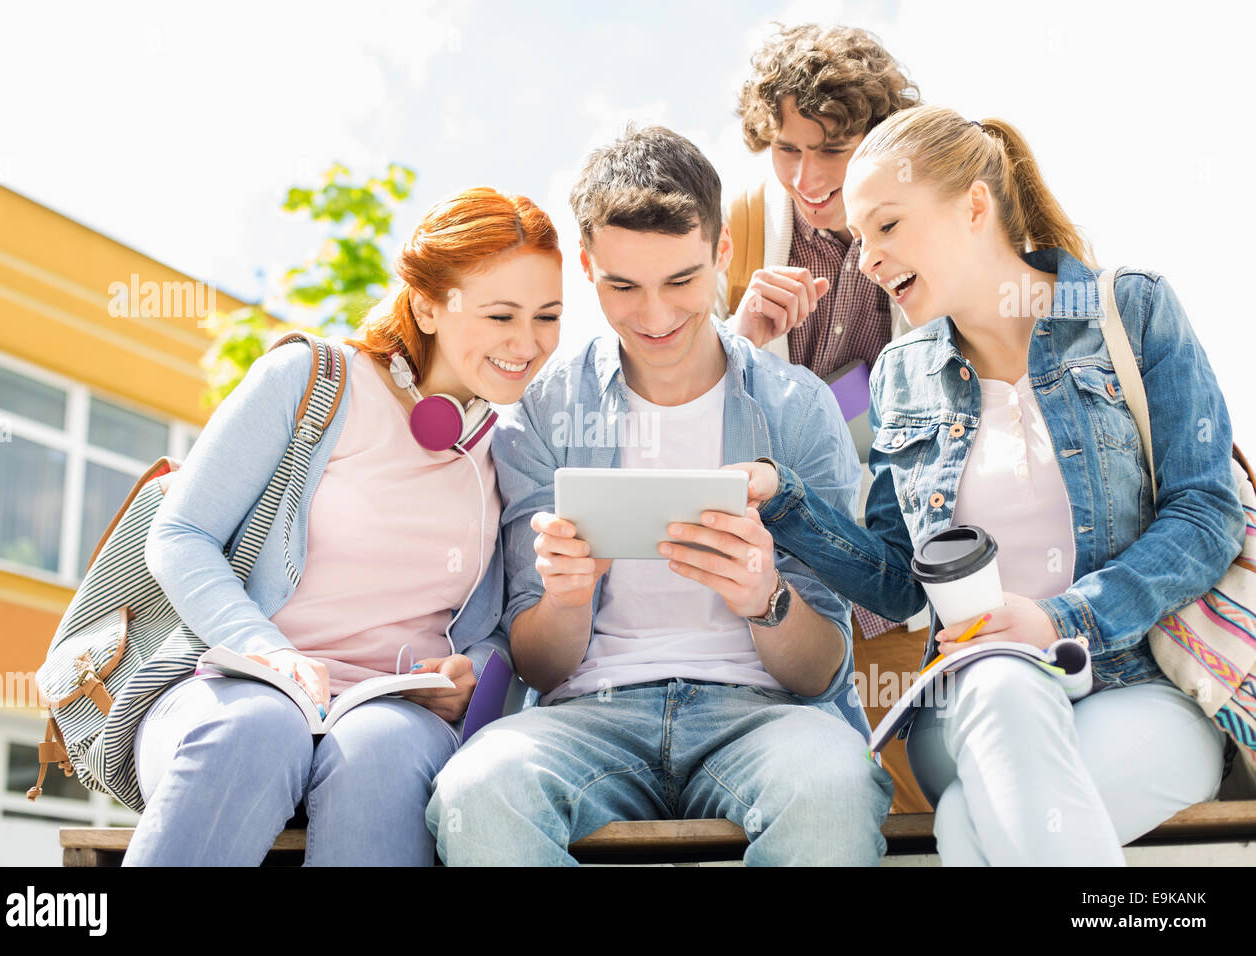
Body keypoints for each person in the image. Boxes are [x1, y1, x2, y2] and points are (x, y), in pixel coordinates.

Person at [733, 105, 1245, 865]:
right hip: (967, 706)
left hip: (1140, 689)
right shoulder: (904, 376)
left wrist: (1064, 619)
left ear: (976, 205)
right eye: (859, 236)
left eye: (887, 226)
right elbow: (898, 585)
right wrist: (784, 499)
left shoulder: (1129, 310)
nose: (866, 258)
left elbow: (1206, 514)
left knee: (973, 829)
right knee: (1001, 681)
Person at [425, 125, 893, 866]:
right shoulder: (546, 410)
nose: (654, 316)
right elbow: (539, 665)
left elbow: (824, 666)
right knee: (479, 791)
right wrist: (567, 600)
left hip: (766, 717)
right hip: (589, 716)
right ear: (586, 267)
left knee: (833, 789)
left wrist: (766, 599)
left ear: (722, 256)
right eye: (622, 286)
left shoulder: (797, 407)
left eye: (680, 281)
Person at [123, 187, 562, 866]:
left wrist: (468, 675)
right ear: (426, 304)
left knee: (380, 754)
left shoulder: (509, 455)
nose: (527, 343)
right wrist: (266, 652)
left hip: (394, 717)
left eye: (548, 316)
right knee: (259, 728)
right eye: (501, 314)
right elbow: (179, 537)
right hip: (239, 692)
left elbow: (501, 634)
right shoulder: (310, 381)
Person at [716, 22, 929, 811]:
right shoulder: (733, 226)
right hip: (767, 573)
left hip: (886, 564)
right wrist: (744, 341)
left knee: (909, 801)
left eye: (831, 150)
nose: (807, 176)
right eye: (785, 148)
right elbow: (670, 405)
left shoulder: (923, 229)